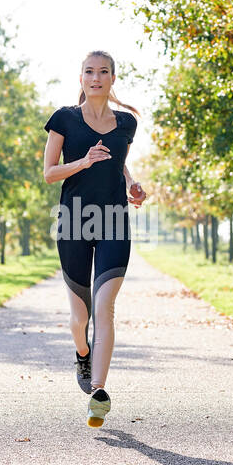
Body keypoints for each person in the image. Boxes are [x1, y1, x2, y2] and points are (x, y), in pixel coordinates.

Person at [43, 50, 147, 426]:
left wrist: (132, 184)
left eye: (103, 71)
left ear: (113, 78)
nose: (96, 77)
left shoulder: (125, 123)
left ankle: (99, 392)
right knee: (79, 319)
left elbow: (119, 164)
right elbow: (49, 173)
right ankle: (82, 353)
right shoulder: (64, 119)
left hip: (115, 221)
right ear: (82, 77)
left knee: (104, 308)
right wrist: (83, 162)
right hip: (74, 222)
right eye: (90, 71)